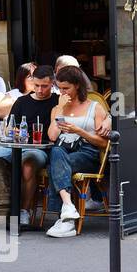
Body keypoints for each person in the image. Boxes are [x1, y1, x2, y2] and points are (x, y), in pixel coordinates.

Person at [0, 65, 57, 226]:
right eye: (37, 86)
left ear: (52, 84)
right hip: (13, 145)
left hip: (39, 148)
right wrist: (15, 132)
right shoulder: (21, 101)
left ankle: (24, 211)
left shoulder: (57, 101)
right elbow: (9, 128)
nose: (40, 90)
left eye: (45, 86)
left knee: (27, 166)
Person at [44, 65, 111, 239]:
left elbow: (103, 143)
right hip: (65, 151)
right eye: (59, 88)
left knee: (55, 163)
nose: (62, 92)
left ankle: (64, 218)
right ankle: (68, 206)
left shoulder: (94, 107)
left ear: (78, 86)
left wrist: (79, 131)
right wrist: (59, 110)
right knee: (56, 152)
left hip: (88, 152)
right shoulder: (59, 108)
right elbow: (52, 136)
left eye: (66, 88)